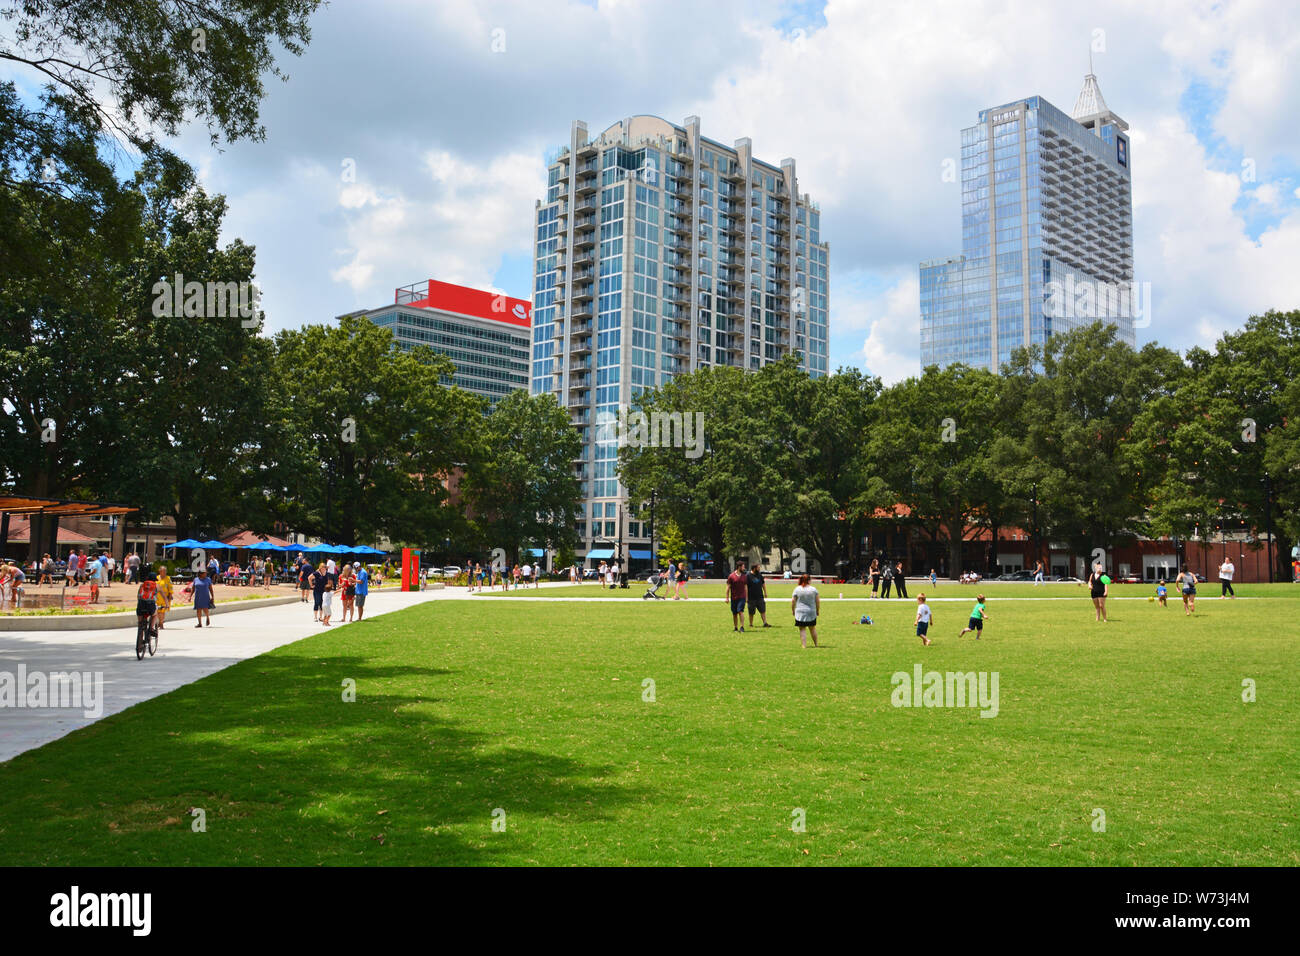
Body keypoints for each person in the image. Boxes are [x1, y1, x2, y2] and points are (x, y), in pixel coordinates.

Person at [791, 573, 821, 649]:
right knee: (812, 628)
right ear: (809, 580)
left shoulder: (797, 589)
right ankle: (816, 644)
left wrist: (793, 610)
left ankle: (804, 645)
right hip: (811, 611)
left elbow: (793, 601)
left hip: (800, 612)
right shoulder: (813, 589)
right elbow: (817, 601)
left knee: (802, 629)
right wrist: (817, 610)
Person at [725, 561, 748, 632]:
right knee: (734, 613)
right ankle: (735, 627)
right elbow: (728, 587)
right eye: (743, 566)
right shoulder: (731, 576)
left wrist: (747, 597)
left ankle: (742, 627)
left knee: (740, 611)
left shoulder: (744, 576)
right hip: (734, 597)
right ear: (739, 567)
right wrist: (727, 598)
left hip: (742, 597)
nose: (744, 568)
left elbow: (746, 587)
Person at [746, 564, 771, 628]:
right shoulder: (748, 576)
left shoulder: (759, 575)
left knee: (763, 610)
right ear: (754, 568)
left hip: (760, 596)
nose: (759, 569)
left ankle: (765, 623)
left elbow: (763, 584)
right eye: (758, 568)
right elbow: (745, 587)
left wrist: (765, 592)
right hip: (751, 597)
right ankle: (751, 624)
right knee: (751, 612)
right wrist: (746, 597)